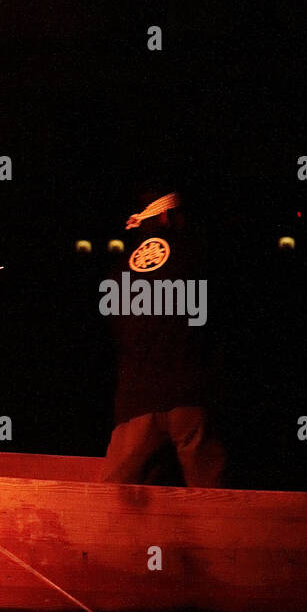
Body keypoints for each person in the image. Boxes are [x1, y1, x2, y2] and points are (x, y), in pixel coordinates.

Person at [99, 188, 227, 487]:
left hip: (136, 402)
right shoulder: (198, 255)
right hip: (191, 398)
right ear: (168, 215)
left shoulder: (118, 270)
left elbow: (116, 332)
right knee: (215, 502)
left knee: (114, 498)